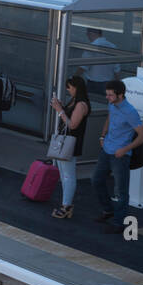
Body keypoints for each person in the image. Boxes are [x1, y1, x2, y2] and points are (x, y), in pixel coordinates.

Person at [93, 80, 143, 235]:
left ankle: (119, 223)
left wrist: (125, 149)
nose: (107, 97)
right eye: (107, 94)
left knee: (121, 191)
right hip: (107, 150)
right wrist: (102, 135)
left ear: (121, 94)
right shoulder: (113, 105)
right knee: (96, 180)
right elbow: (109, 118)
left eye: (110, 95)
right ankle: (108, 209)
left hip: (120, 155)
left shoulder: (130, 112)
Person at [49, 76, 90, 219]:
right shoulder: (75, 101)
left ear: (76, 88)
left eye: (70, 87)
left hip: (70, 142)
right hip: (66, 141)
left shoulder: (81, 104)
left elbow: (72, 125)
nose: (68, 90)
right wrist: (61, 108)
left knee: (68, 175)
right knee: (64, 174)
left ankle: (66, 205)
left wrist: (60, 110)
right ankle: (65, 204)